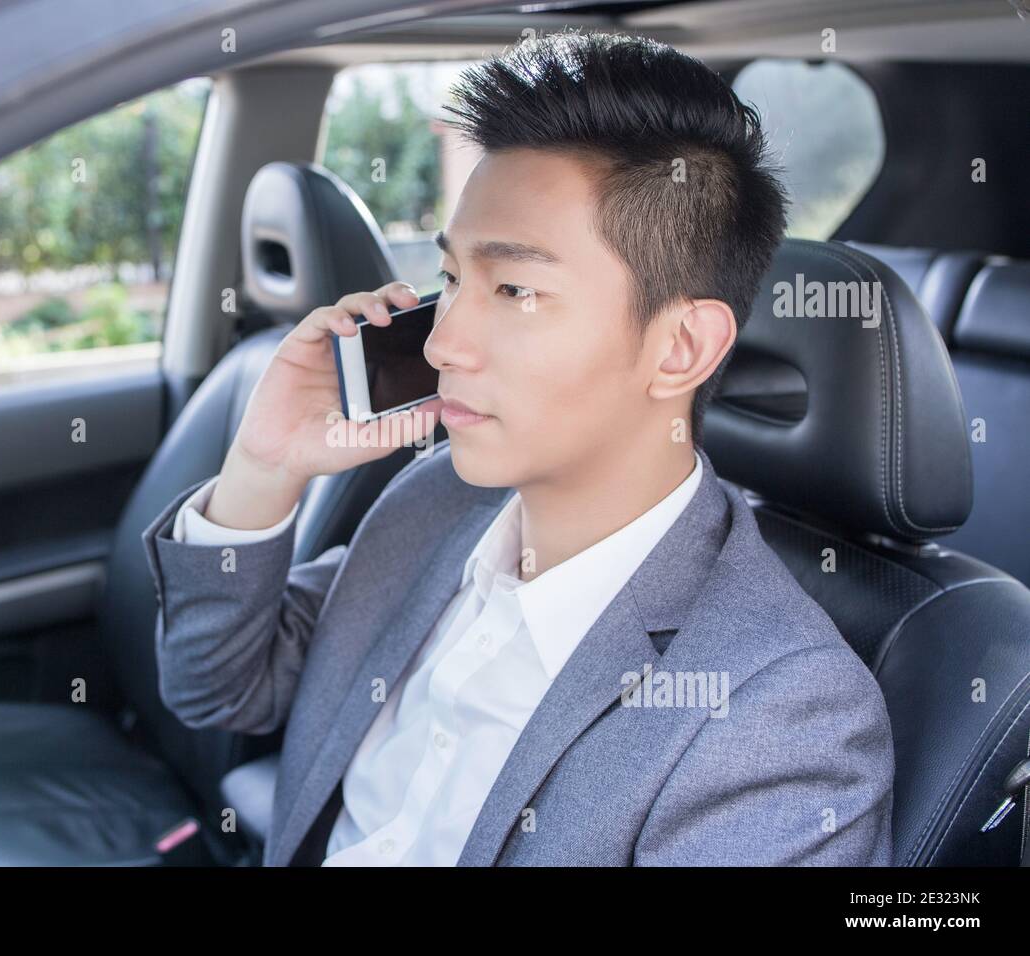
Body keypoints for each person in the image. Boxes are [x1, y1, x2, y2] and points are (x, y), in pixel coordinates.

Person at [141, 29, 893, 866]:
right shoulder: (433, 506)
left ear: (680, 348)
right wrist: (264, 469)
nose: (440, 343)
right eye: (454, 279)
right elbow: (216, 688)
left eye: (515, 290)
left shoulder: (780, 720)